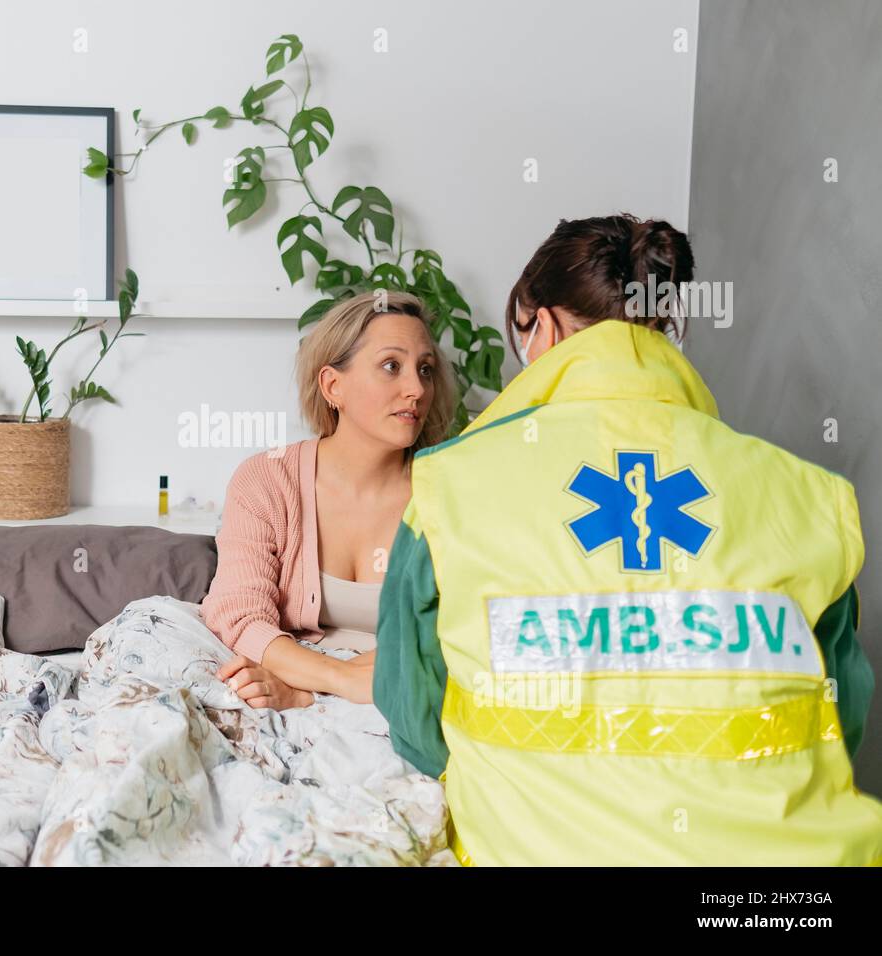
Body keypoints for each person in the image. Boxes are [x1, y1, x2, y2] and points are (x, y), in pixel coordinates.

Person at [375, 213, 882, 865]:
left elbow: (413, 712)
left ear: (544, 326)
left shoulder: (451, 488)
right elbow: (841, 718)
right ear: (667, 327)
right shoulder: (808, 493)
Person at [199, 291, 452, 709]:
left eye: (425, 370)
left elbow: (462, 631)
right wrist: (333, 679)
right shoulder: (267, 479)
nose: (416, 389)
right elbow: (240, 613)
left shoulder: (450, 489)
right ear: (333, 385)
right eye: (392, 366)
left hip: (402, 686)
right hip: (298, 671)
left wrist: (306, 696)